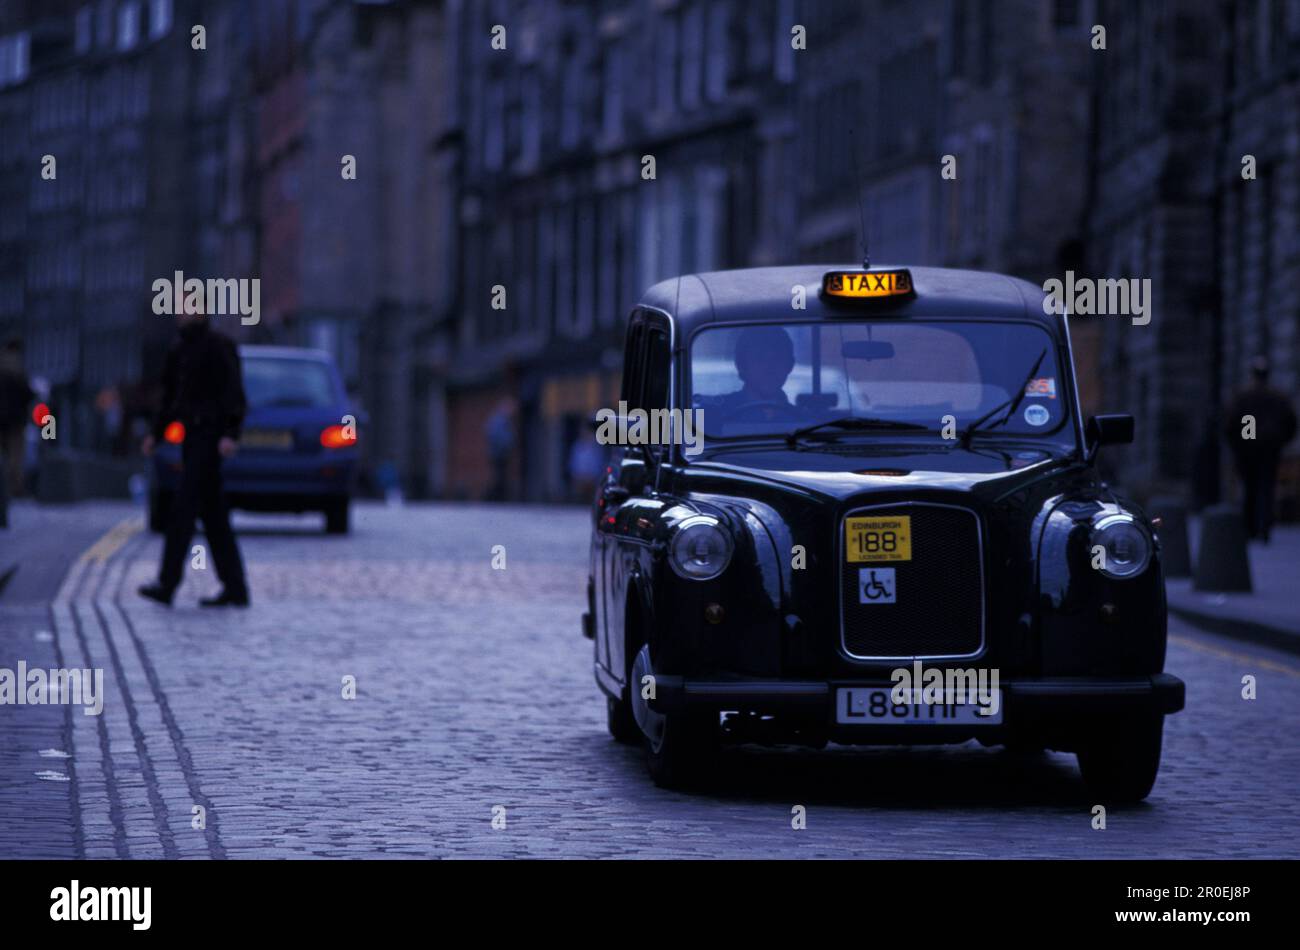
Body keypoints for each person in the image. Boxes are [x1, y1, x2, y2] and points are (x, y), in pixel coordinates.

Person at [138, 301, 250, 607]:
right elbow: (170, 397)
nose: (181, 313)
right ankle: (235, 587)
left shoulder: (218, 346)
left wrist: (230, 433)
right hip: (192, 437)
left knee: (184, 510)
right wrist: (157, 434)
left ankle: (167, 582)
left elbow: (234, 394)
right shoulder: (179, 350)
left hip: (209, 437)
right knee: (214, 517)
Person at [1222, 356, 1298, 543]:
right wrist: (1281, 441)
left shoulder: (1243, 396)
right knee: (1266, 487)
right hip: (1269, 448)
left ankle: (1251, 527)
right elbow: (1290, 423)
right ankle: (1264, 526)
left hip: (1248, 448)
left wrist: (1237, 445)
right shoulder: (1278, 397)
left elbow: (1231, 424)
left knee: (1250, 488)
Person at [697, 326, 797, 421]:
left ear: (790, 365)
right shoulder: (709, 416)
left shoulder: (806, 420)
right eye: (760, 359)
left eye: (777, 359)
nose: (769, 368)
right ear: (741, 365)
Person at [0, 337, 34, 509]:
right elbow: (27, 393)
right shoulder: (18, 368)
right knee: (15, 456)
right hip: (15, 420)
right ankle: (14, 489)